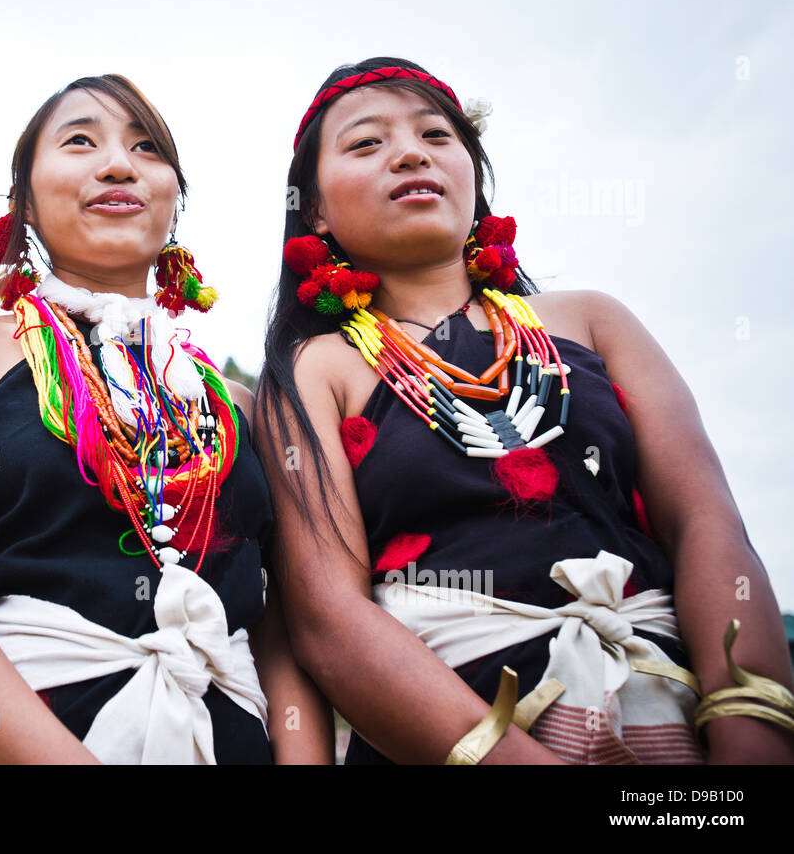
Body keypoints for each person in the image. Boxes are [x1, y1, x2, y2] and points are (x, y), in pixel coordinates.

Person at [255, 57, 794, 764]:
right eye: (367, 143)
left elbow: (707, 524)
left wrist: (749, 734)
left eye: (437, 135)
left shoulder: (593, 321)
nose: (411, 152)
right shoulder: (312, 371)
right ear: (314, 209)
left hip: (675, 722)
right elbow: (328, 618)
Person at [0, 73, 334, 764]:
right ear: (22, 200)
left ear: (173, 200)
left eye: (146, 149)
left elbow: (281, 634)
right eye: (80, 140)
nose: (118, 163)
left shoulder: (239, 406)